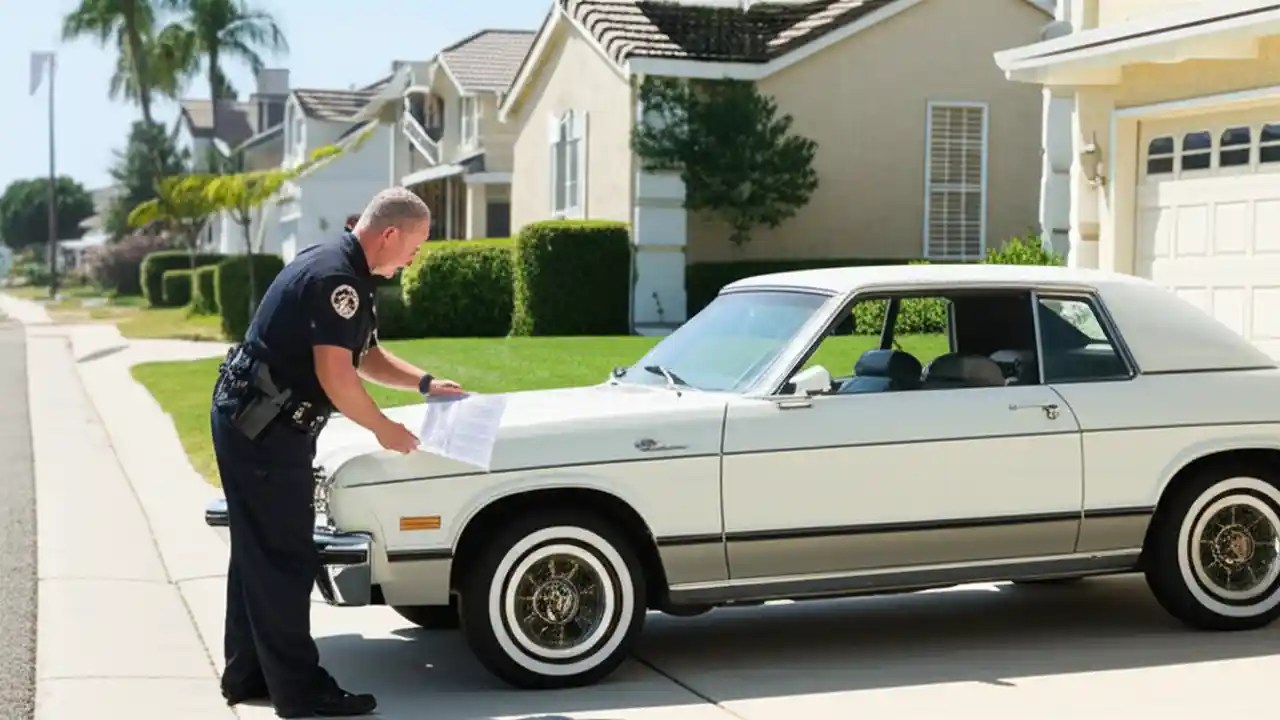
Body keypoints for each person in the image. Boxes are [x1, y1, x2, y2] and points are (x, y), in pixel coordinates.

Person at [210, 187, 463, 717]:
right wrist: (383, 429)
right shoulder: (335, 279)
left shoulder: (345, 270)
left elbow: (364, 355)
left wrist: (424, 383)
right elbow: (336, 375)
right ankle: (301, 693)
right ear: (388, 234)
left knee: (260, 551)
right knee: (285, 557)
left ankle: (250, 673)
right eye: (414, 247)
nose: (414, 258)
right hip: (263, 428)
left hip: (257, 421)